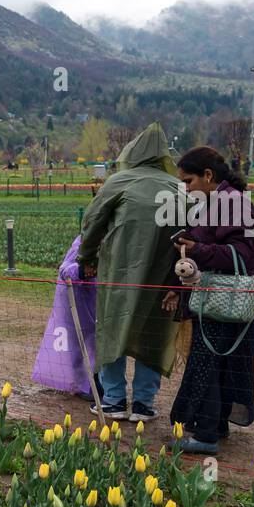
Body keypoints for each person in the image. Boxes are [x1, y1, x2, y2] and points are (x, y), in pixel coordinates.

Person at [168, 146, 254, 454]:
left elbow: (239, 254)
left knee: (207, 362)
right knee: (224, 362)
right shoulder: (218, 202)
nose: (185, 188)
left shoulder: (231, 204)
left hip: (228, 299)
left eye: (188, 181)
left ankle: (205, 435)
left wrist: (196, 249)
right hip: (222, 298)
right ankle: (216, 426)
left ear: (208, 175)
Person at [77, 122, 182, 422]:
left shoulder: (118, 181)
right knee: (154, 332)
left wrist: (87, 258)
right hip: (163, 276)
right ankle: (144, 404)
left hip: (118, 272)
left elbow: (93, 222)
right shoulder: (178, 187)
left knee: (112, 328)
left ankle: (112, 400)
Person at [33, 236, 102, 401]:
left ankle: (96, 384)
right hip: (77, 300)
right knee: (78, 342)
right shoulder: (84, 242)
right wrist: (83, 270)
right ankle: (82, 384)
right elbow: (66, 270)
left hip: (96, 300)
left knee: (97, 344)